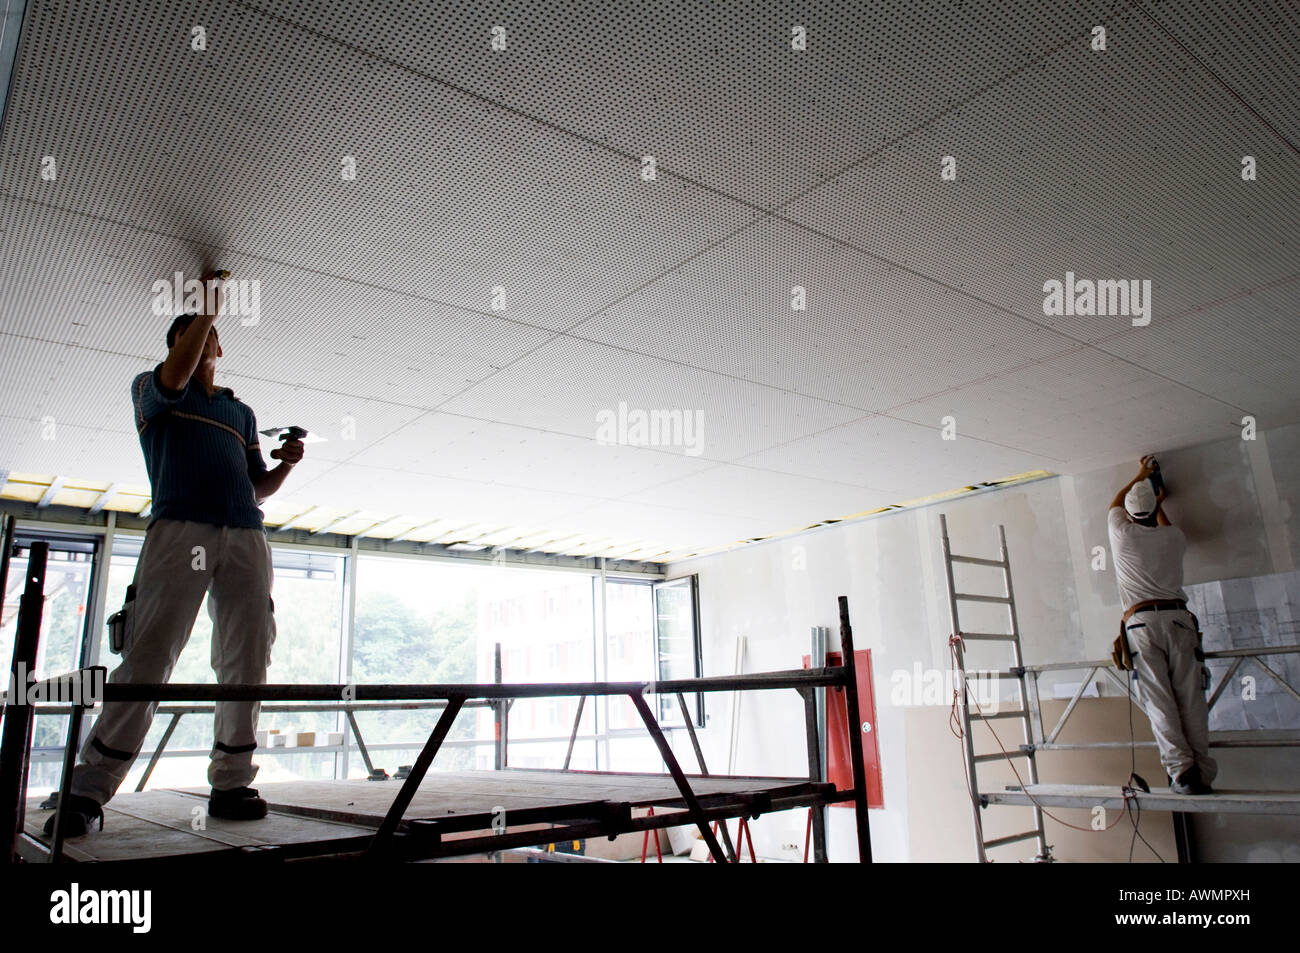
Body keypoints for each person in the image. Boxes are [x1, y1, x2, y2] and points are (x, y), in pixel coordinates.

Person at [46, 272, 305, 836]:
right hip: (180, 527)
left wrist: (285, 464)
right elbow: (179, 372)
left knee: (248, 655)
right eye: (195, 331)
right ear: (180, 342)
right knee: (151, 653)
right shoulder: (151, 387)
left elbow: (255, 484)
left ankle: (232, 784)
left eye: (209, 331)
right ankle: (88, 794)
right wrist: (208, 308)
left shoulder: (240, 413)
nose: (207, 337)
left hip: (244, 532)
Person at [1107, 456, 1216, 795]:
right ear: (1154, 512)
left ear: (1129, 514)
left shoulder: (1121, 534)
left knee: (1159, 700)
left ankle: (1182, 772)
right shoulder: (1174, 538)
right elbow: (1163, 527)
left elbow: (1115, 504)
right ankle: (1202, 771)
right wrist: (1159, 503)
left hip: (1142, 626)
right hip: (1179, 622)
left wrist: (1140, 475)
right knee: (1190, 698)